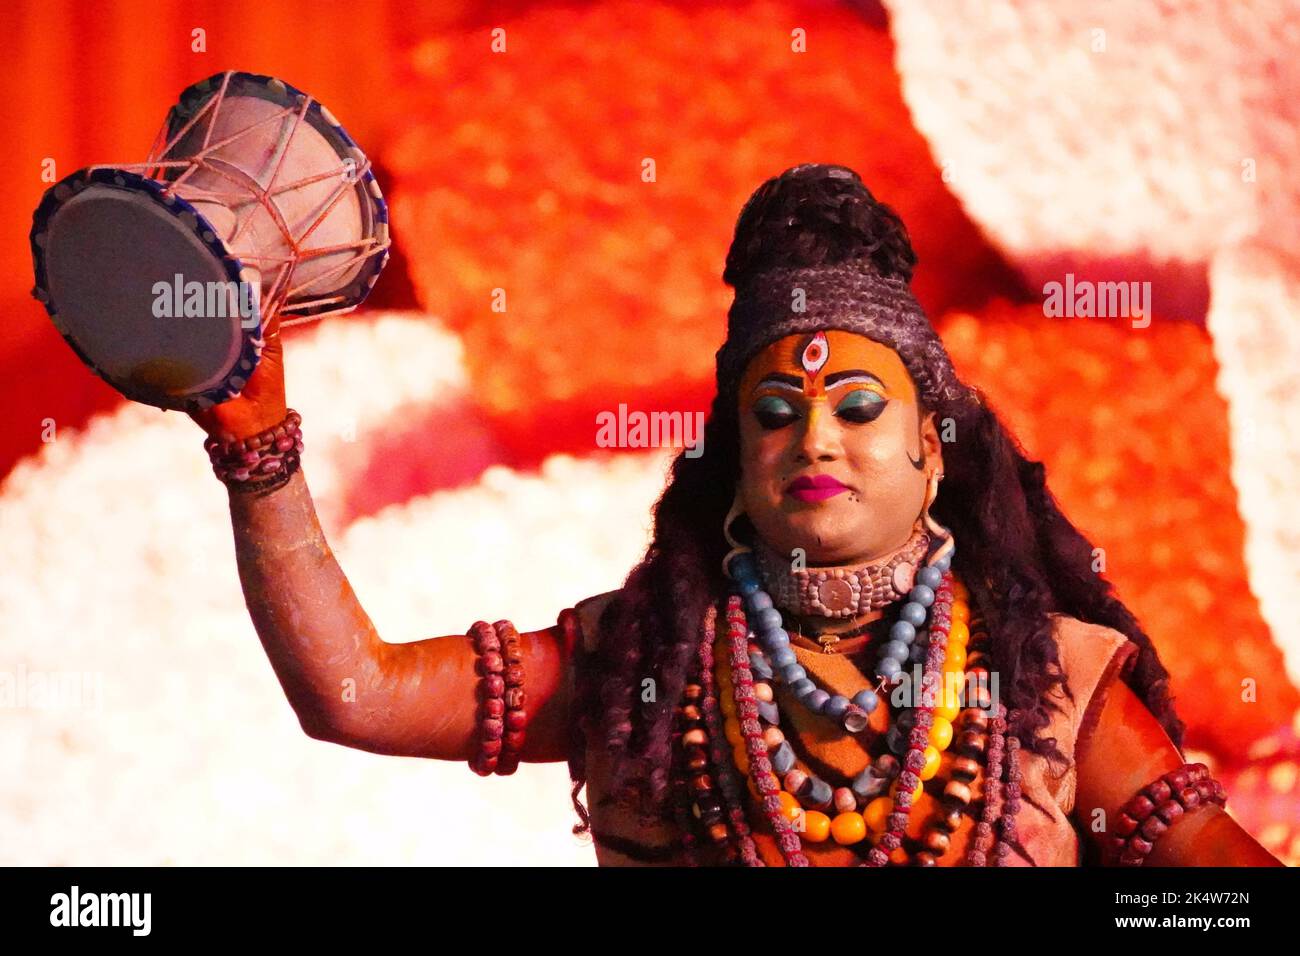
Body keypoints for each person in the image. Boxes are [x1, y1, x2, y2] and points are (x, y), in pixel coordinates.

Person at [191, 163, 1281, 867]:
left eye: (857, 407)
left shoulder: (1049, 679)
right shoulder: (637, 657)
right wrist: (258, 449)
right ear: (736, 459)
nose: (813, 437)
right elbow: (354, 694)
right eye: (776, 409)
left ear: (930, 446)